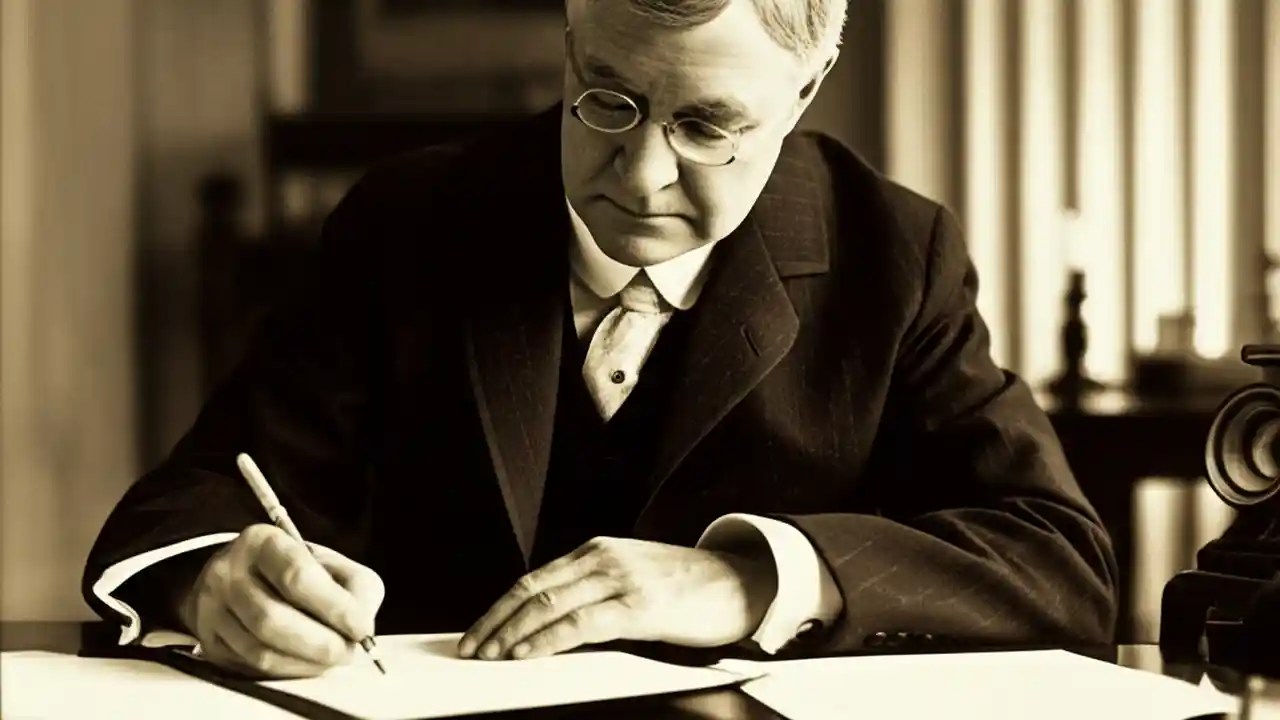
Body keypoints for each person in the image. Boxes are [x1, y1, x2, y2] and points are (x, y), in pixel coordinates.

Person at [83, 0, 1118, 680]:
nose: (637, 177)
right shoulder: (406, 221)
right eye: (605, 100)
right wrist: (213, 575)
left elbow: (1058, 564)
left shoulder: (893, 251)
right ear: (569, 43)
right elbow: (205, 490)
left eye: (707, 127)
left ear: (804, 92)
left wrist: (747, 579)